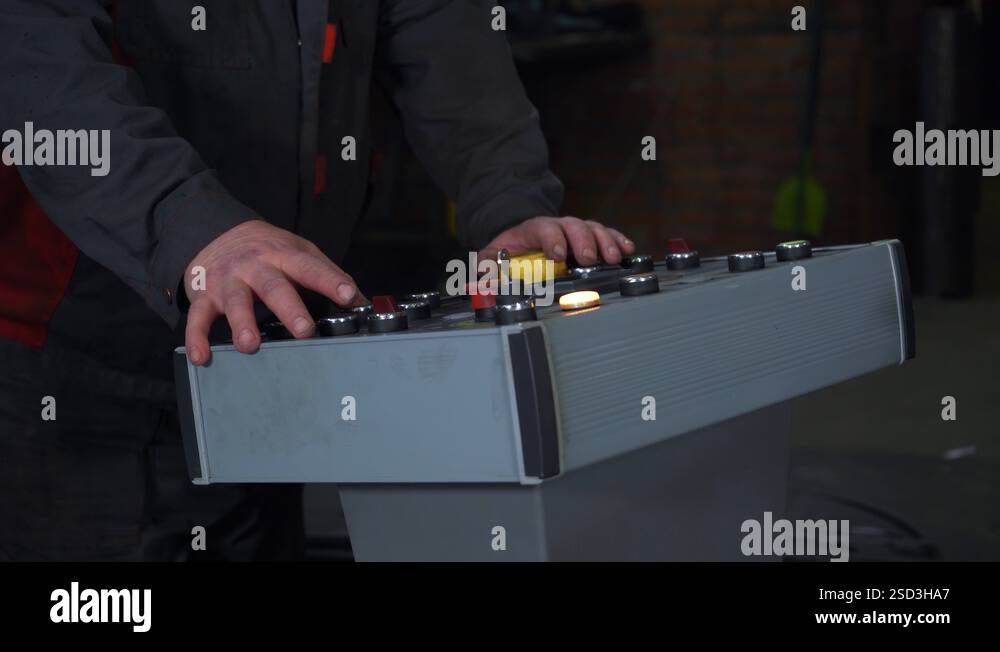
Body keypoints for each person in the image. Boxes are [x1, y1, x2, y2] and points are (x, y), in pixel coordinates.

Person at [0, 0, 634, 561]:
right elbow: (34, 62)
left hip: (271, 359)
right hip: (82, 373)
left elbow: (443, 33)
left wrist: (511, 204)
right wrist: (191, 229)